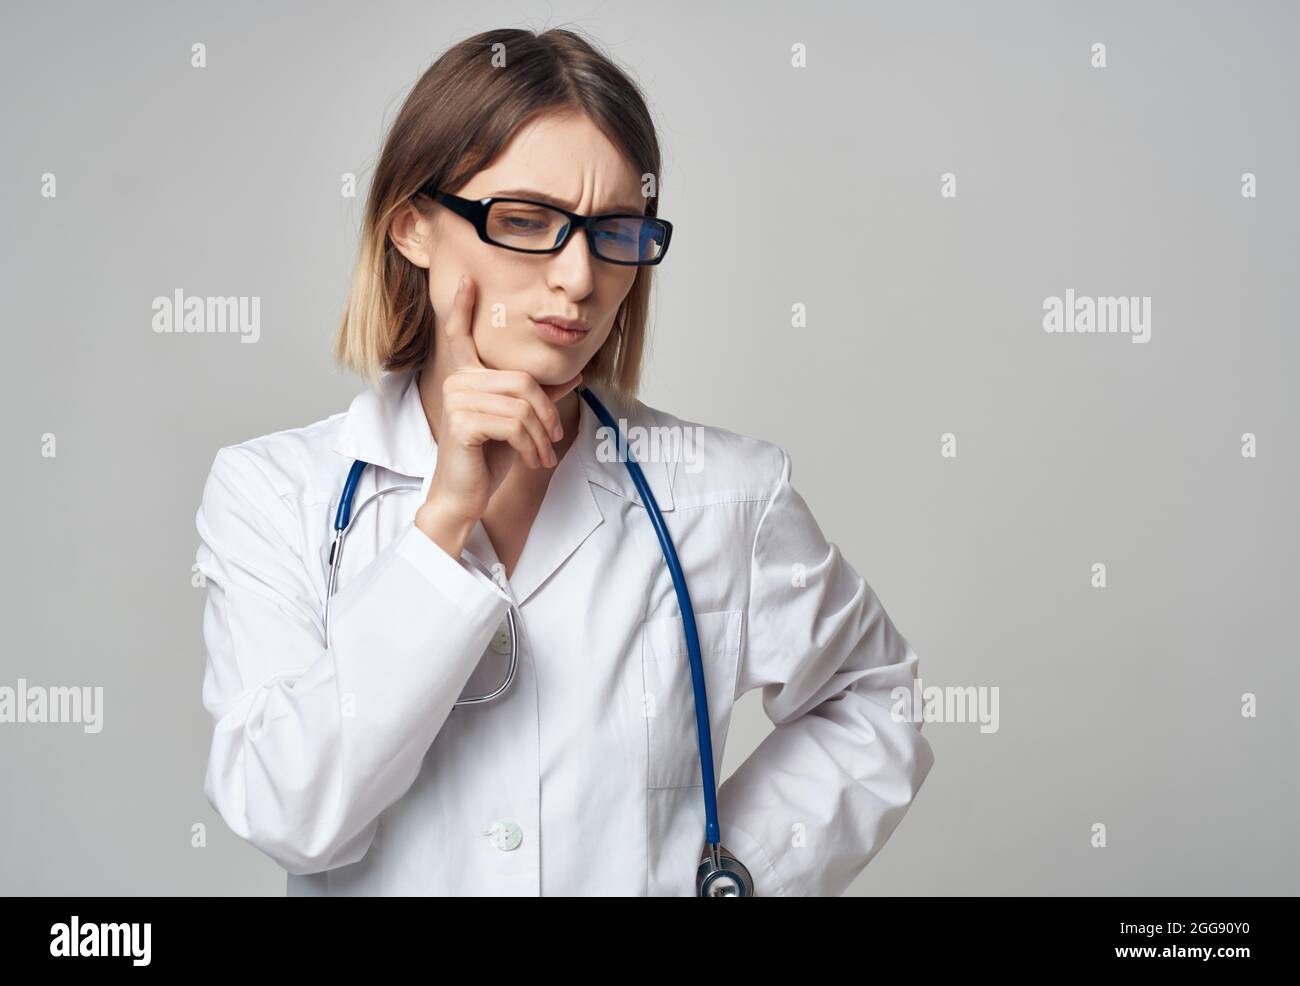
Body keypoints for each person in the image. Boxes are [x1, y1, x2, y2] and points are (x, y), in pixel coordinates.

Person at [194, 26, 934, 896]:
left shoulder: (722, 493)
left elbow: (875, 696)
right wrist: (439, 530)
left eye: (615, 229)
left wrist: (737, 877)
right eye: (527, 221)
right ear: (412, 228)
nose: (580, 277)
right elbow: (287, 813)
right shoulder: (275, 494)